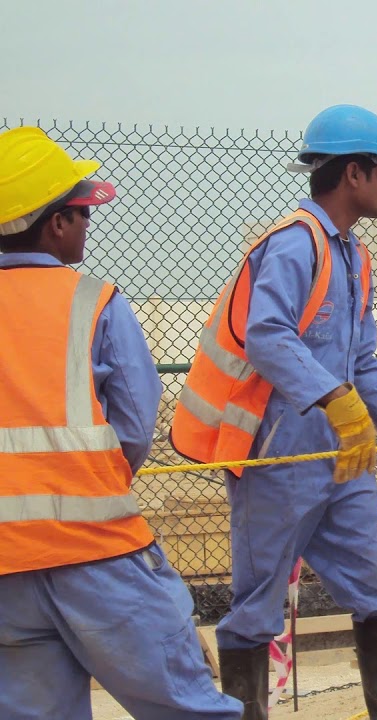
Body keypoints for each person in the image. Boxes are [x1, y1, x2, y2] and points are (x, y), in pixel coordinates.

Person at [171, 104, 377, 720]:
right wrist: (336, 402)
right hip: (282, 456)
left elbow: (362, 369)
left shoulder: (353, 258)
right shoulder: (292, 245)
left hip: (344, 460)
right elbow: (267, 336)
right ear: (353, 173)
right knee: (256, 607)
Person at [0, 127, 242, 719]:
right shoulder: (92, 300)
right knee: (186, 707)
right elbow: (134, 421)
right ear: (55, 223)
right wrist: (93, 479)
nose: (87, 223)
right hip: (95, 553)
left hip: (5, 570)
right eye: (82, 211)